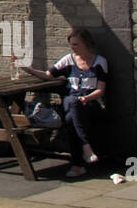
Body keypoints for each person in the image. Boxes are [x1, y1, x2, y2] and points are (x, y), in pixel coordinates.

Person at [18, 28, 107, 178]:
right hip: (72, 101)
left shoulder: (100, 62)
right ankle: (86, 148)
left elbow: (101, 90)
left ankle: (78, 165)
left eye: (76, 44)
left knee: (70, 119)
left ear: (86, 43)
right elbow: (48, 75)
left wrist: (86, 98)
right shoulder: (68, 60)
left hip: (91, 103)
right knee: (72, 101)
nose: (73, 48)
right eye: (71, 45)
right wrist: (27, 68)